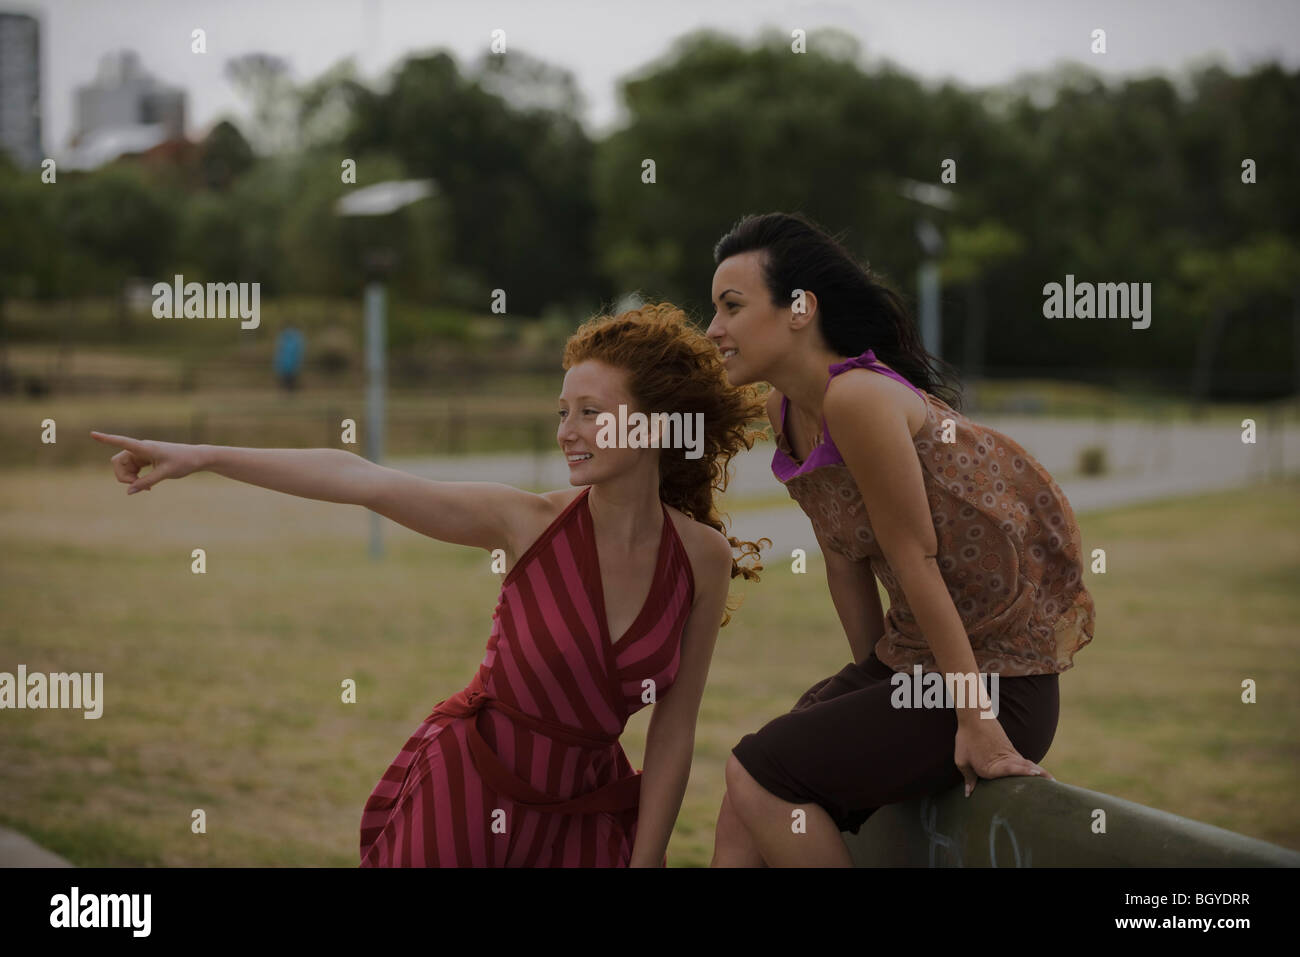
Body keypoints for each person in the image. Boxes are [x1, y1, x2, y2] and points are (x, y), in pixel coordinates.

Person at [91, 302, 767, 867]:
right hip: (467, 796)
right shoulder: (525, 523)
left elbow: (673, 734)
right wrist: (203, 455)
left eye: (590, 411)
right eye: (563, 411)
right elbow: (361, 477)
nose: (567, 432)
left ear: (653, 421)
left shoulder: (702, 557)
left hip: (583, 821)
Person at [704, 212, 1095, 867]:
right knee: (744, 795)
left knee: (758, 773)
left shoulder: (858, 397)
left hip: (998, 683)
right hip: (915, 669)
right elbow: (843, 561)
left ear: (800, 310)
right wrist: (872, 695)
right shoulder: (788, 408)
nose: (714, 328)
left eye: (732, 306)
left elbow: (915, 559)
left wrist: (976, 723)